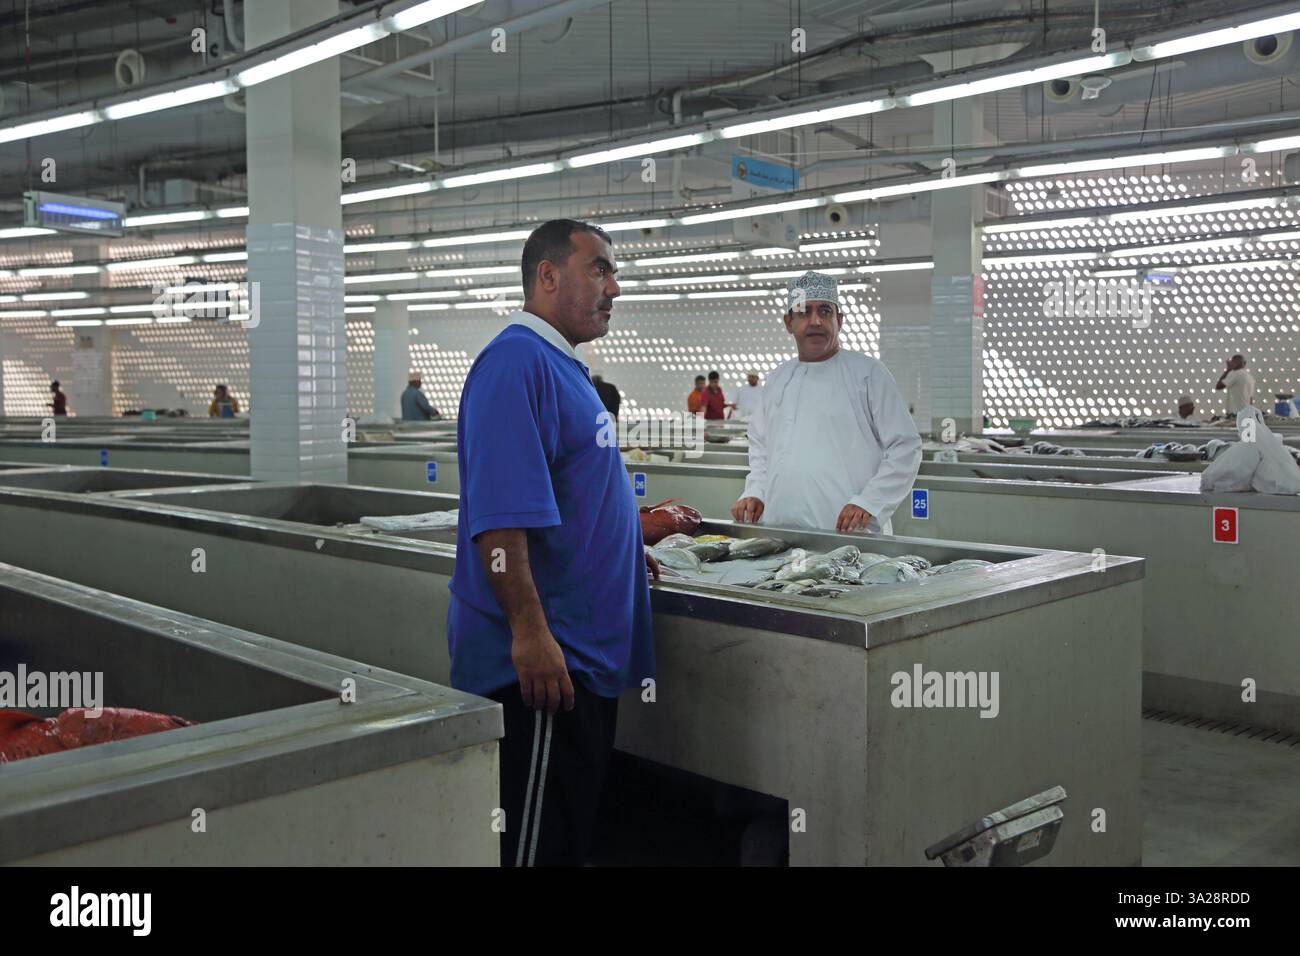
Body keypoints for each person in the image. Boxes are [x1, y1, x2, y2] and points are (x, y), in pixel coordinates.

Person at [447, 218, 657, 867]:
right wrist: (530, 633)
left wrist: (620, 552)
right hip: (545, 668)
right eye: (599, 268)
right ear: (548, 276)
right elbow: (499, 522)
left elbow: (567, 496)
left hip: (579, 659)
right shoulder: (515, 364)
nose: (614, 287)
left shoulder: (564, 368)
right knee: (535, 847)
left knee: (567, 837)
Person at [731, 271, 921, 535]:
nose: (815, 321)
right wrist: (755, 491)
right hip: (780, 531)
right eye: (803, 312)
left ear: (839, 320)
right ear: (789, 322)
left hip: (851, 537)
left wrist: (870, 502)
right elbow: (761, 446)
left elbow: (906, 446)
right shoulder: (778, 378)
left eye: (825, 311)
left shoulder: (868, 373)